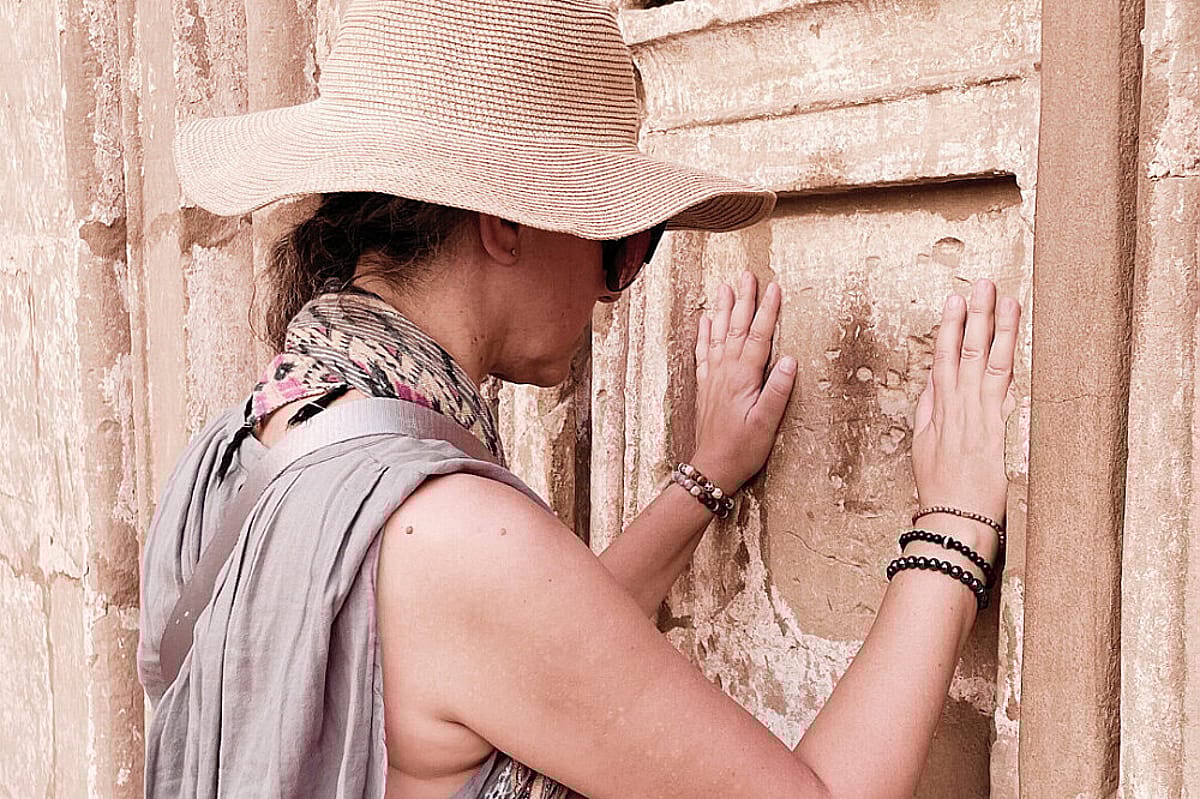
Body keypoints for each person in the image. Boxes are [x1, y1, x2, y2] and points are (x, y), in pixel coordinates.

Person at [136, 1, 1021, 797]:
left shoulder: (249, 443)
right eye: (622, 242)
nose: (613, 290)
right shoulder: (453, 534)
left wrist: (705, 479)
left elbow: (542, 654)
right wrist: (952, 527)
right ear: (506, 223)